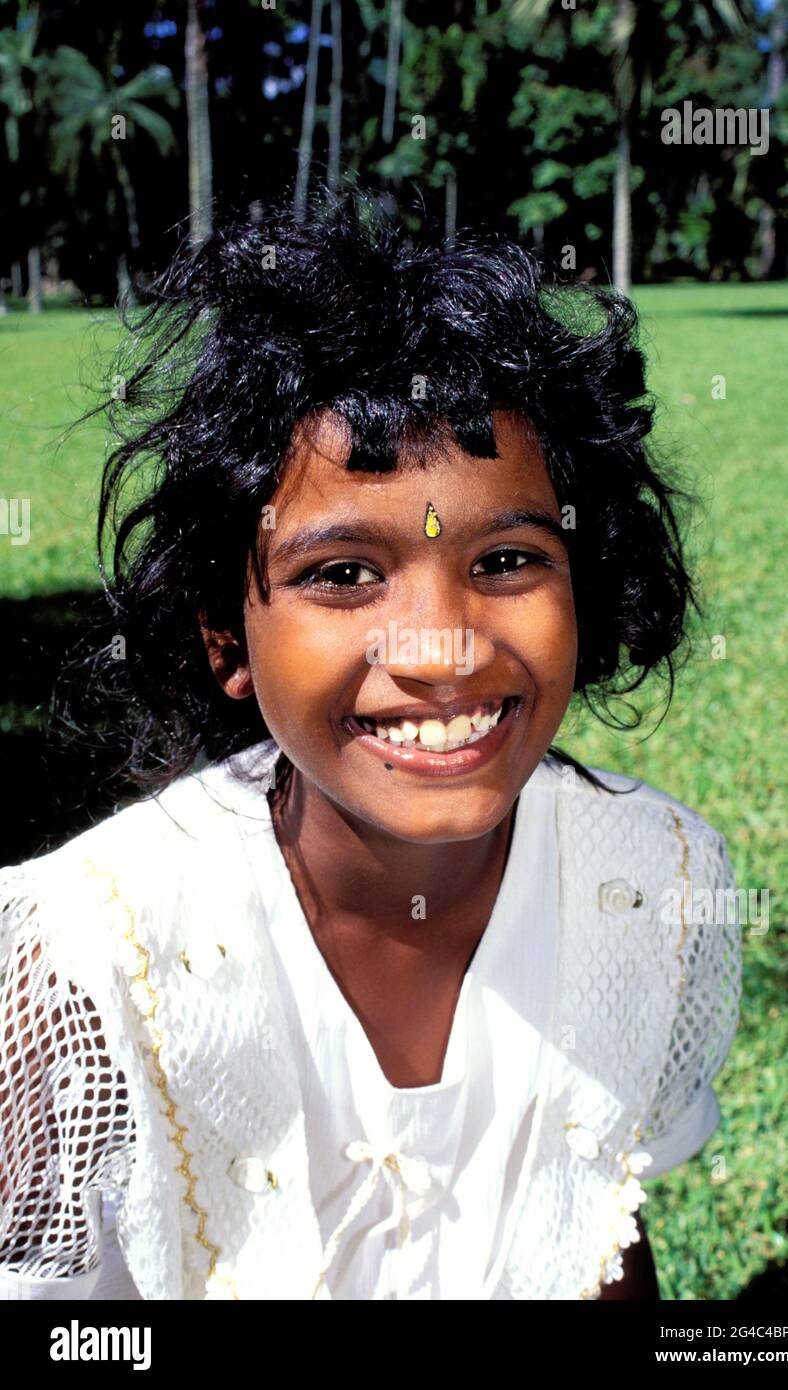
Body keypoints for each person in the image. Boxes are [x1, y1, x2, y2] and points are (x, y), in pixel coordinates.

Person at [0, 187, 741, 1301]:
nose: (441, 649)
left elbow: (598, 1220)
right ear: (224, 636)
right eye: (341, 573)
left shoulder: (659, 883)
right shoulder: (80, 964)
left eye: (506, 561)